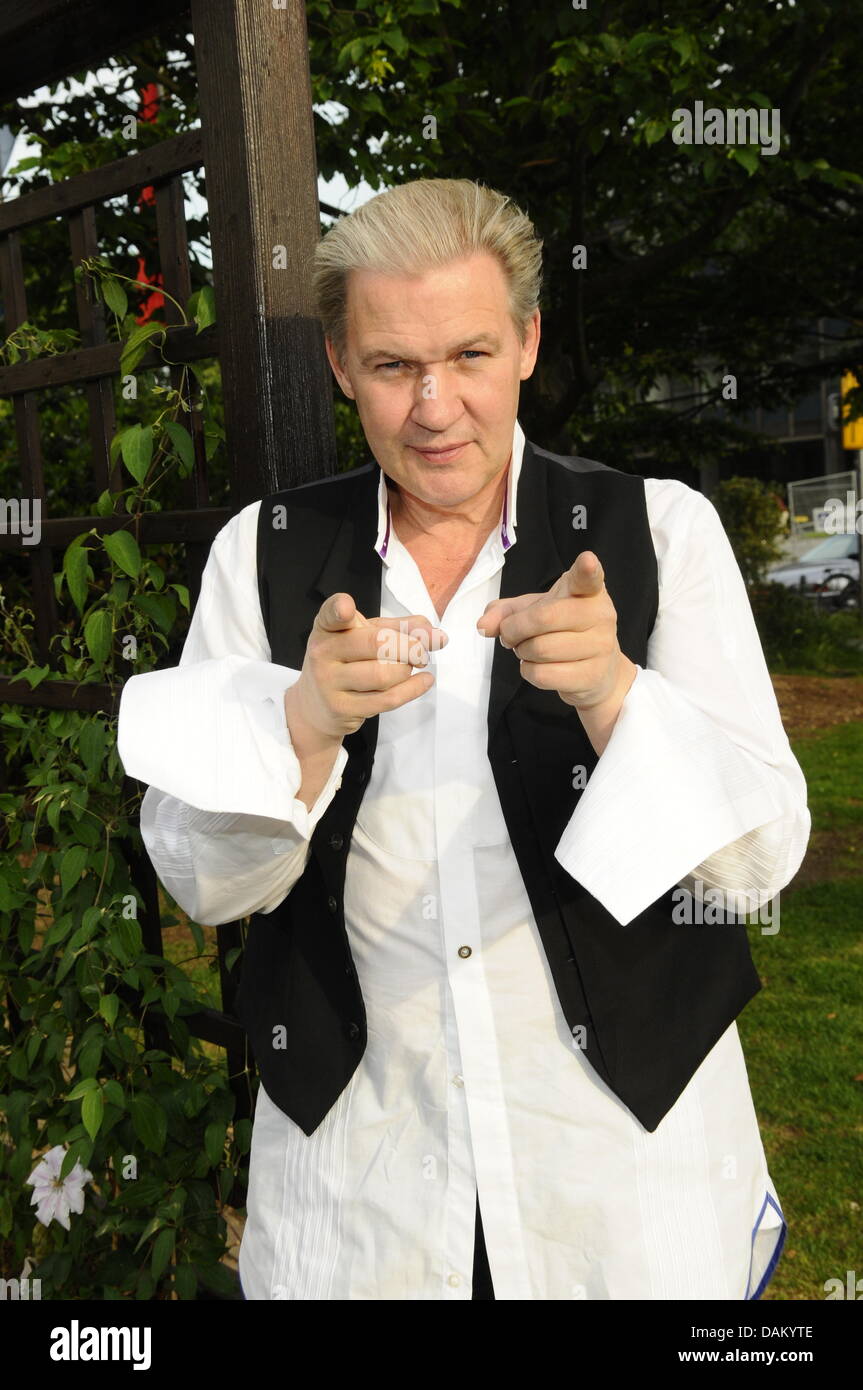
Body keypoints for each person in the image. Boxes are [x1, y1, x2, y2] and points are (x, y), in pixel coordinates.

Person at [117, 178, 810, 1301]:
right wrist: (302, 725)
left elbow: (758, 862)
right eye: (393, 365)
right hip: (368, 1183)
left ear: (527, 342)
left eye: (470, 356)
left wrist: (616, 697)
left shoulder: (661, 531)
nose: (435, 407)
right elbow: (204, 881)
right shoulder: (263, 552)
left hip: (614, 1185)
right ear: (341, 365)